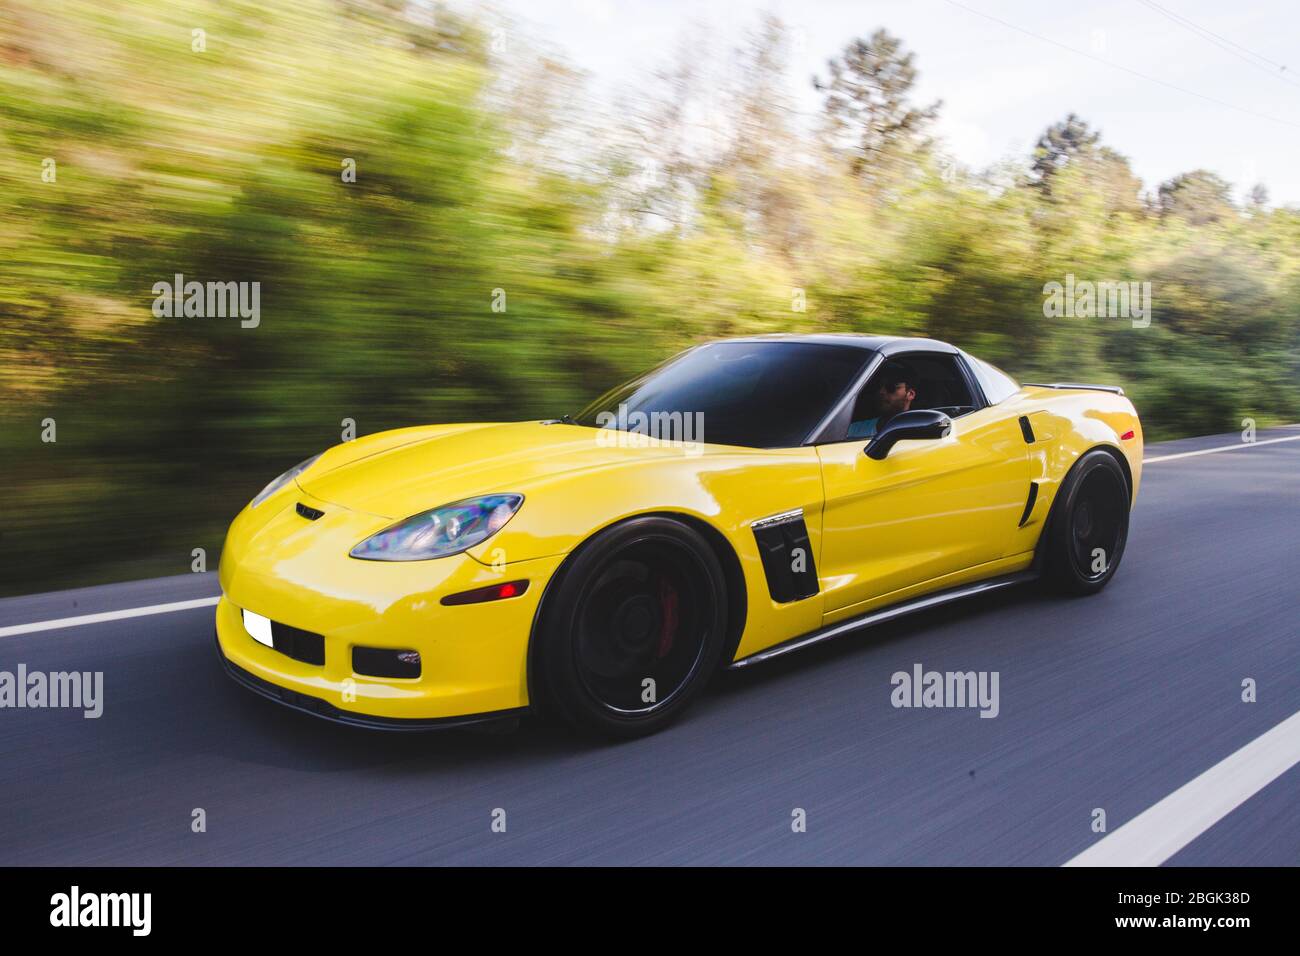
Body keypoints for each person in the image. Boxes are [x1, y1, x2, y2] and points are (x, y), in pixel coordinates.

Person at [846, 361, 915, 439]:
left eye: (891, 387)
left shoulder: (918, 434)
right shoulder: (852, 430)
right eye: (879, 386)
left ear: (910, 394)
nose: (881, 392)